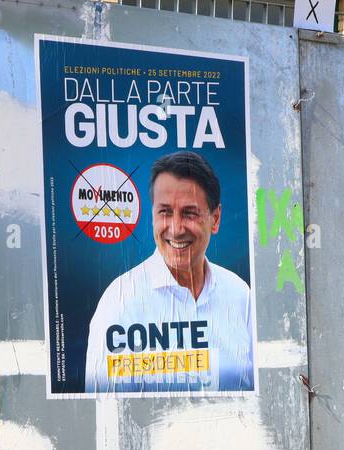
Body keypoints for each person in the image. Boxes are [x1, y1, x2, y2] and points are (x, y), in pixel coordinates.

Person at [82, 150, 255, 393]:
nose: (175, 229)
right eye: (165, 212)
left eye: (189, 213)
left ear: (215, 219)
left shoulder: (239, 295)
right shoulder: (120, 302)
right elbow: (104, 415)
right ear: (152, 216)